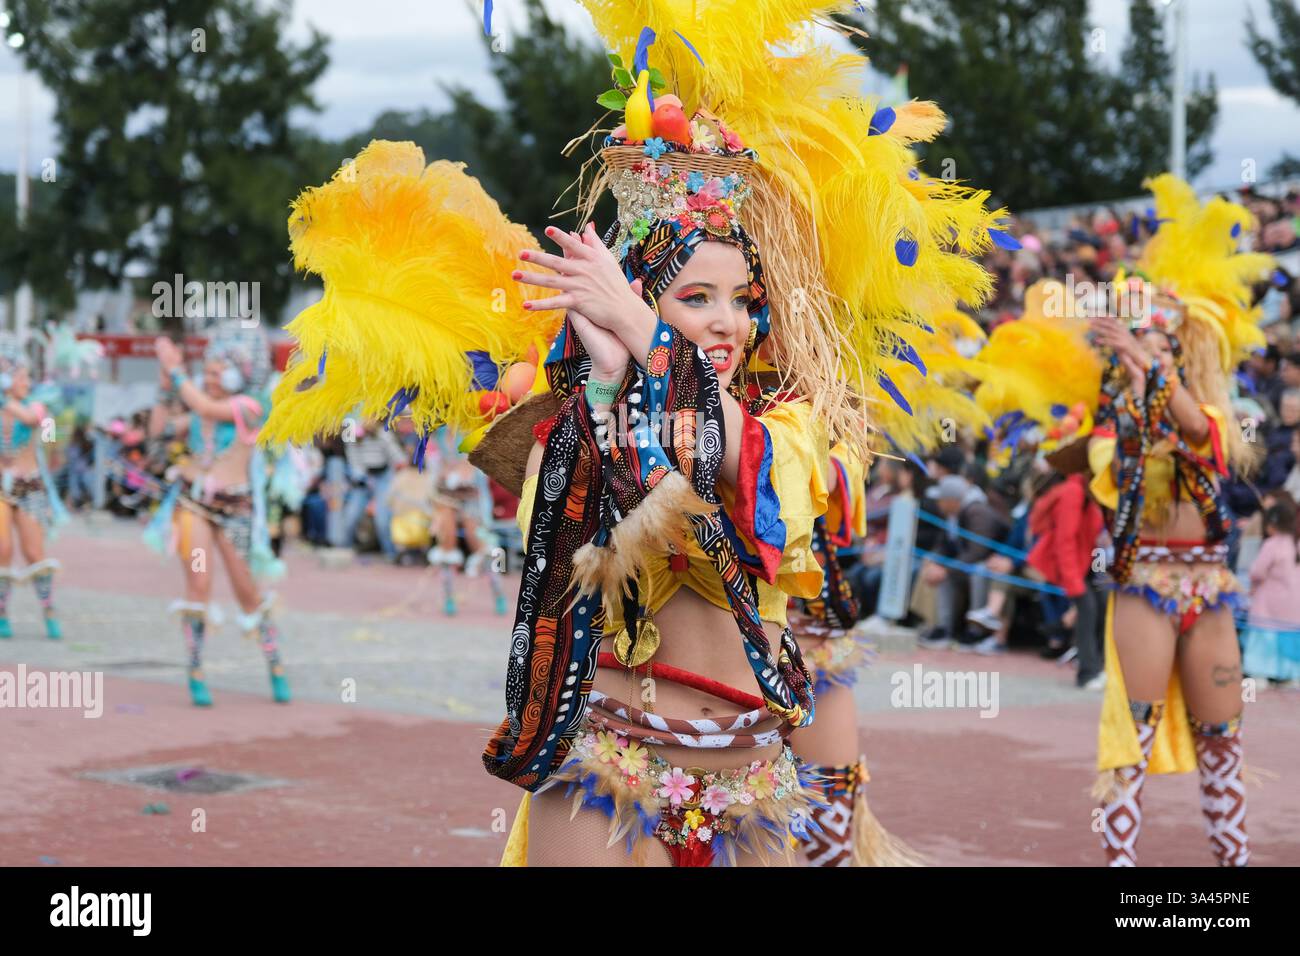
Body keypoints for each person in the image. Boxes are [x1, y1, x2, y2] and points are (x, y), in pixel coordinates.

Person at [266, 0, 1009, 867]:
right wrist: (615, 374)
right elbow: (597, 535)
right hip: (607, 768)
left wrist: (649, 338)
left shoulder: (794, 426)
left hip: (751, 785)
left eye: (741, 299)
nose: (727, 321)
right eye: (695, 298)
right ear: (636, 299)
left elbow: (746, 471)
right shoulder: (577, 428)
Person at [1089, 174, 1274, 867]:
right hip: (1147, 586)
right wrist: (1136, 387)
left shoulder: (1217, 418)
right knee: (1129, 740)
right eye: (1142, 346)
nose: (1151, 355)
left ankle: (1235, 868)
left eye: (1163, 347)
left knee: (1223, 737)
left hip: (1212, 588)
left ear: (1181, 353)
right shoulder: (1111, 425)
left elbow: (1199, 434)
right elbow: (1125, 476)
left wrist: (1152, 374)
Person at [146, 326, 289, 707]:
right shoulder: (197, 412)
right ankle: (194, 669)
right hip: (194, 505)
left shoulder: (250, 406)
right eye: (205, 372)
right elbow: (157, 431)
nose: (208, 379)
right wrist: (164, 386)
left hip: (237, 510)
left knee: (248, 593)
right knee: (199, 583)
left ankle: (274, 662)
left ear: (236, 374)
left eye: (216, 372)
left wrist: (177, 372)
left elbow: (208, 408)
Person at [0, 334, 69, 640]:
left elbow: (41, 425)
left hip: (30, 489)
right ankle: (2, 612)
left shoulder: (37, 405)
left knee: (34, 552)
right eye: (20, 376)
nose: (26, 381)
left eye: (27, 375)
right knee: (2, 549)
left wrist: (51, 438)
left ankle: (49, 608)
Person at [1241, 500, 1300, 684]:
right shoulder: (1296, 544)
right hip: (1293, 606)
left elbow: (1257, 571)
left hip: (1268, 605)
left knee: (1264, 638)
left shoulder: (1272, 544)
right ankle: (1291, 676)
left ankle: (1259, 675)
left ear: (1271, 525)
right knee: (1289, 641)